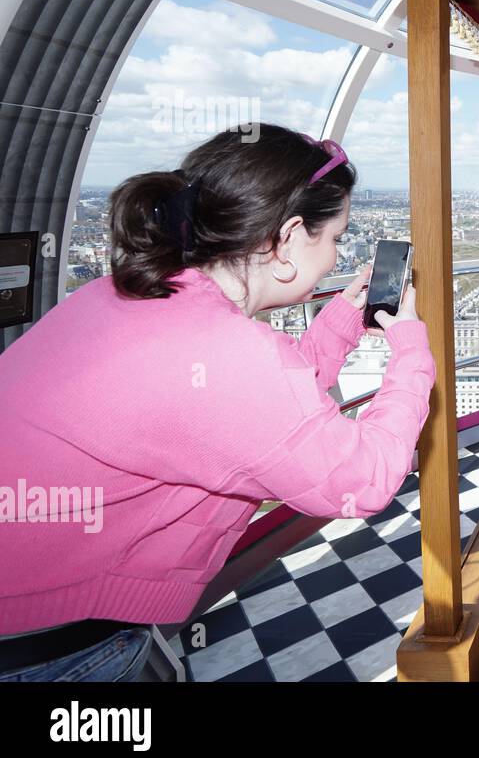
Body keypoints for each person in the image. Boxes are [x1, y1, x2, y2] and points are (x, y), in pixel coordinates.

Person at [0, 124, 435, 681]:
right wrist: (412, 353)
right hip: (55, 653)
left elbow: (257, 418)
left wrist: (346, 320)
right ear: (289, 237)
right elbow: (363, 478)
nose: (333, 258)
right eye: (335, 239)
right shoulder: (224, 354)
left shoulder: (121, 297)